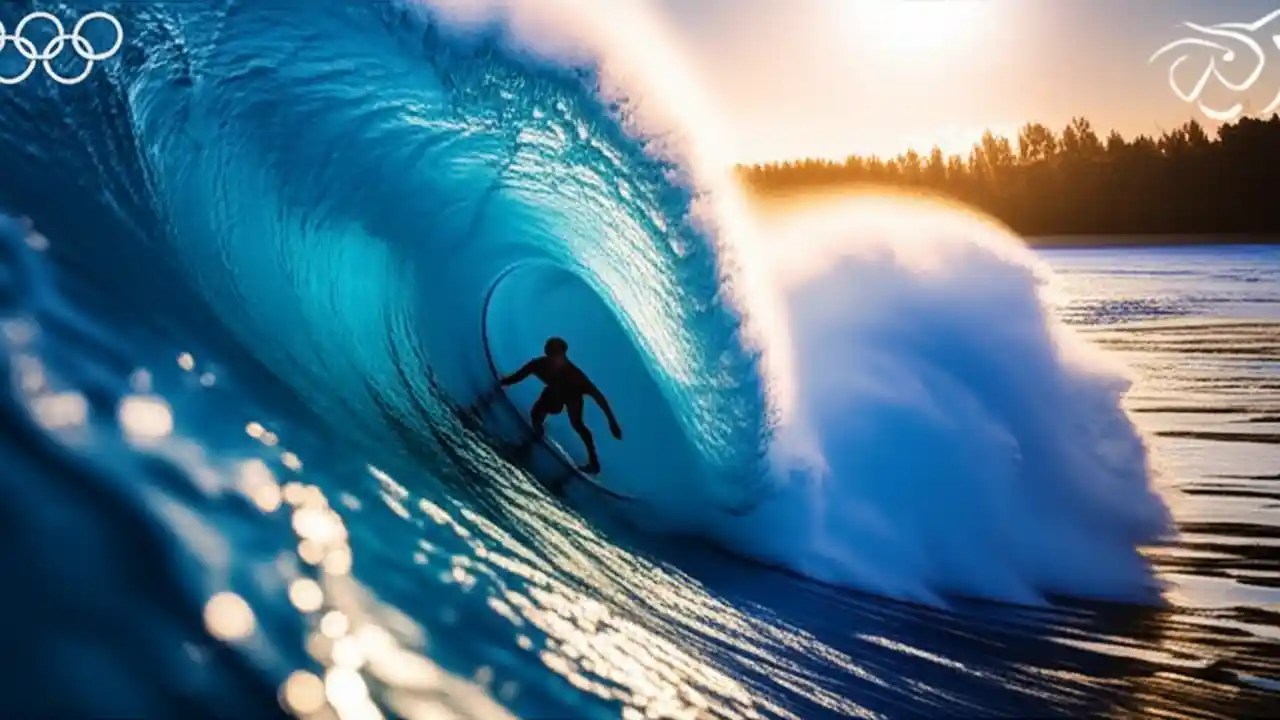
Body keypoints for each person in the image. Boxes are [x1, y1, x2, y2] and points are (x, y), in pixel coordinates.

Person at [500, 337, 622, 474]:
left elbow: (598, 397)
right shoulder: (539, 364)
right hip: (553, 396)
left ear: (563, 354)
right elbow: (519, 375)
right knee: (537, 412)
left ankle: (594, 463)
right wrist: (503, 382)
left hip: (573, 396)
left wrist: (612, 422)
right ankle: (535, 436)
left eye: (557, 355)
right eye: (550, 354)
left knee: (577, 423)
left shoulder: (576, 376)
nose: (554, 360)